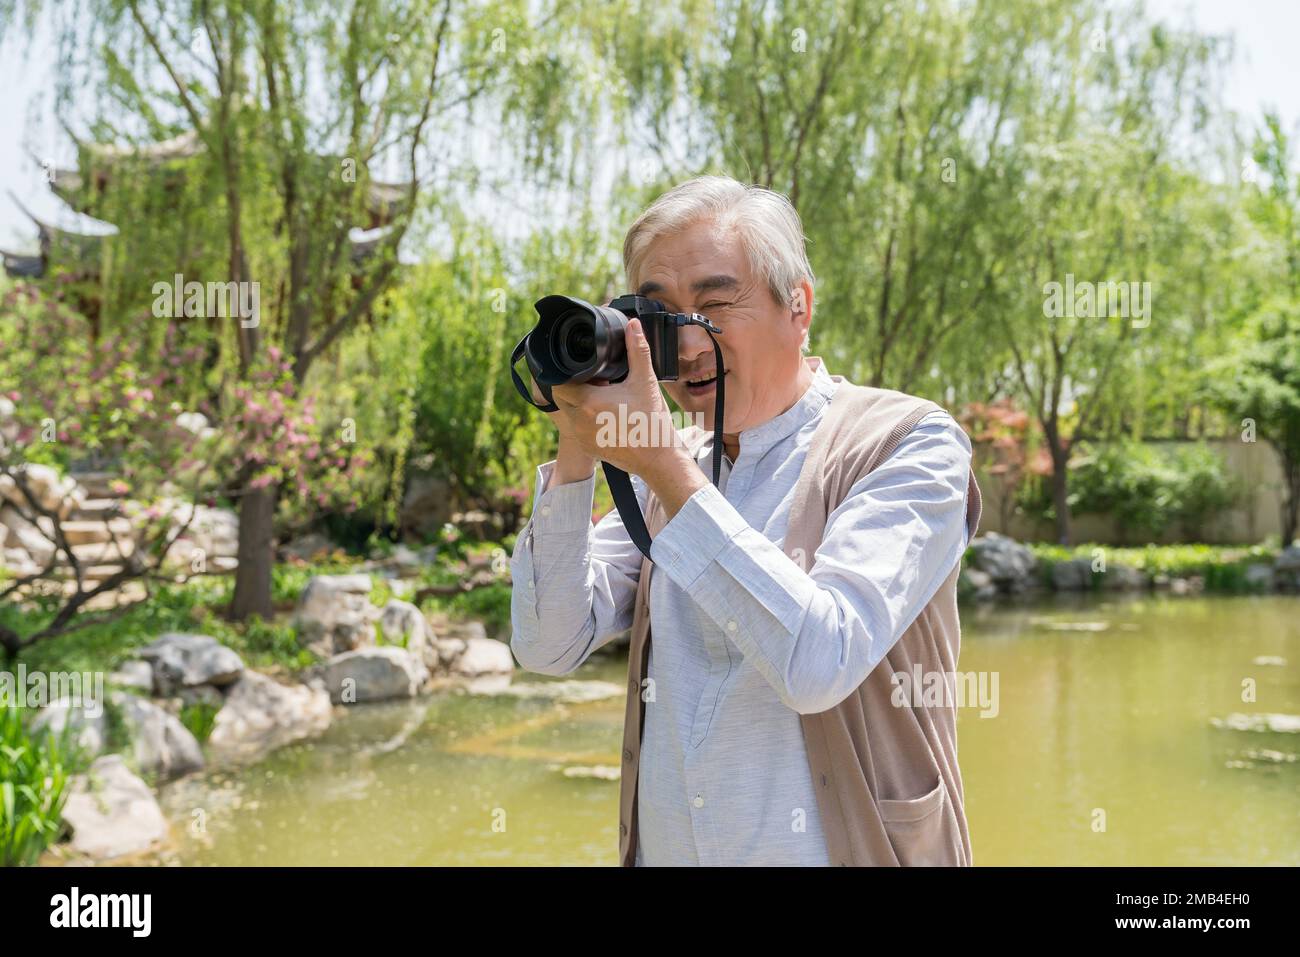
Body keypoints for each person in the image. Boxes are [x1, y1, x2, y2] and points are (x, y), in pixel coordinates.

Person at [509, 174, 980, 866]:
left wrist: (666, 467)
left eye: (714, 303)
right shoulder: (675, 467)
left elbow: (821, 658)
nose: (687, 346)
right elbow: (546, 646)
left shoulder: (908, 442)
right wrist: (578, 445)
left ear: (799, 305)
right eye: (659, 315)